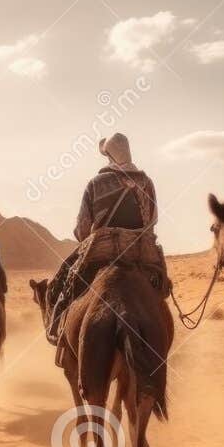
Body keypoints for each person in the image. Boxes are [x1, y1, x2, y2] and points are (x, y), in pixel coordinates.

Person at [44, 132, 162, 343]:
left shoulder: (96, 183)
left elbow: (82, 229)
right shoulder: (146, 182)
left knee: (64, 282)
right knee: (159, 287)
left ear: (109, 155)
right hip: (140, 251)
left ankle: (58, 329)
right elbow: (152, 220)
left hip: (100, 251)